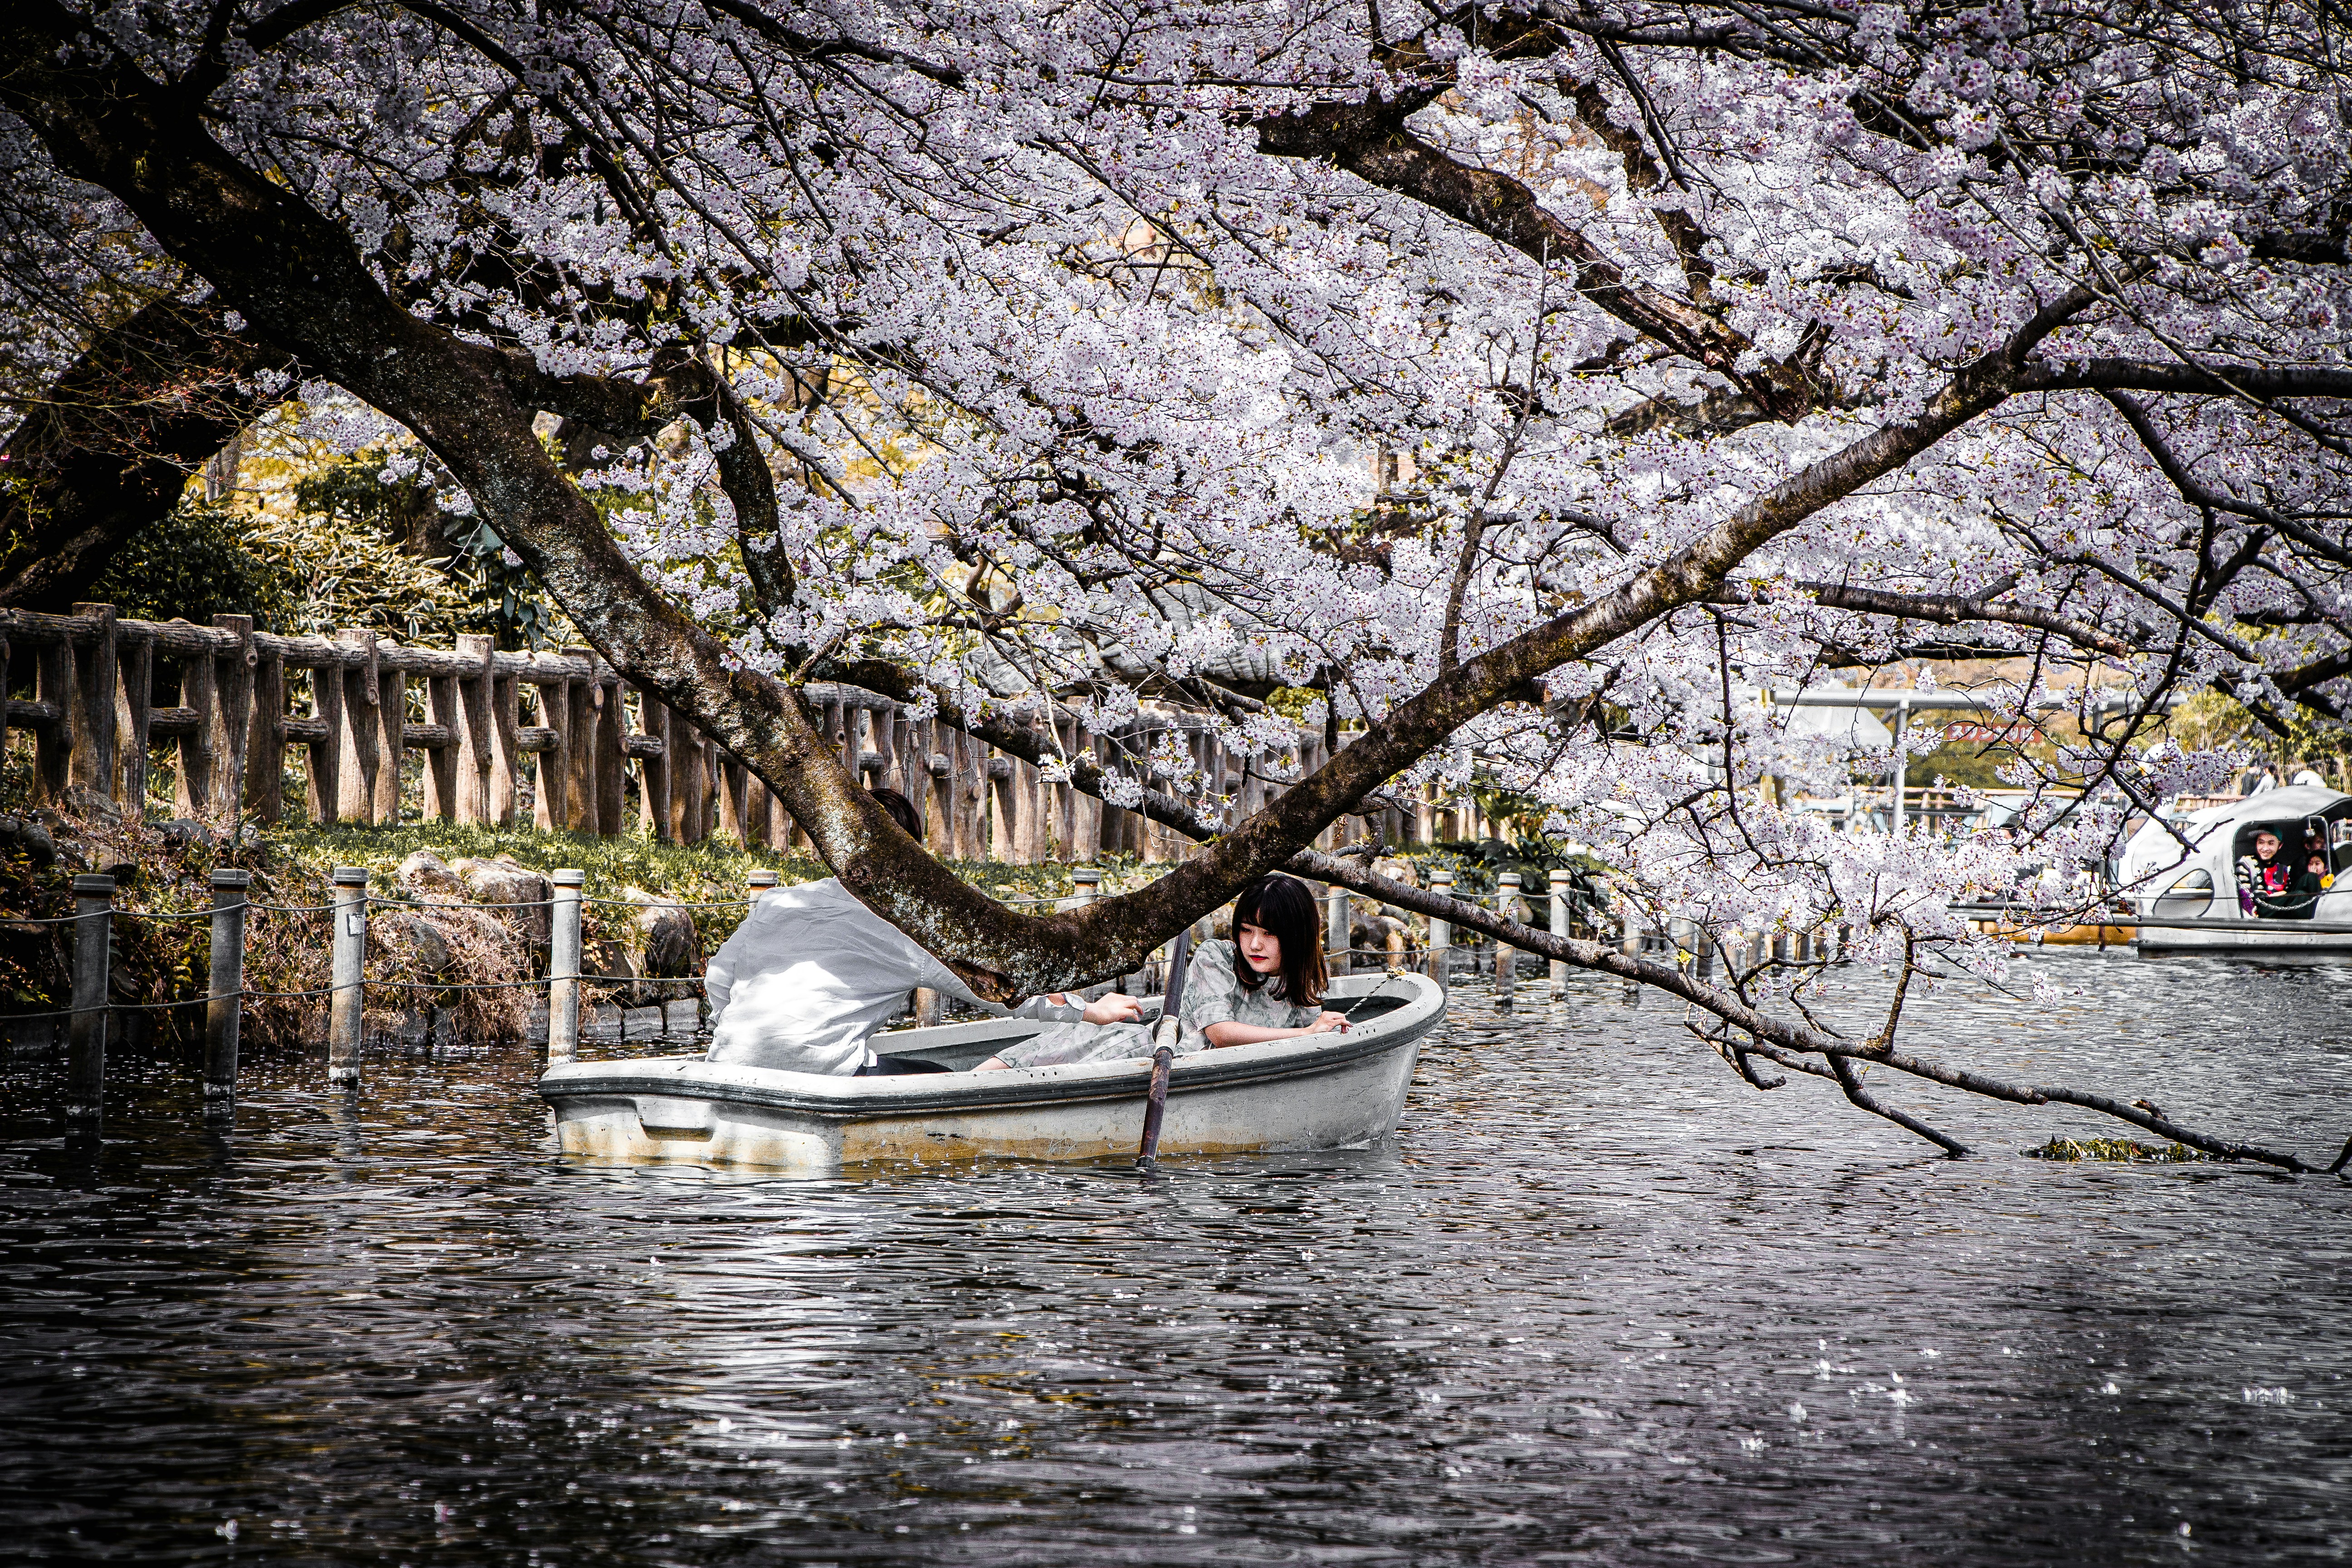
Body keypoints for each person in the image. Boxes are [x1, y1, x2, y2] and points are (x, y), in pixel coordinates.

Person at [702, 789, 1142, 1075]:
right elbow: (997, 990)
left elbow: (717, 980)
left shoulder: (780, 901)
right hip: (820, 1078)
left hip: (729, 1064)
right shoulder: (906, 927)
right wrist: (1091, 1011)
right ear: (908, 856)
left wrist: (735, 1032)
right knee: (944, 1081)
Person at [975, 872, 1350, 1072]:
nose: (1254, 945)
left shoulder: (1304, 984)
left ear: (1296, 937)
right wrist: (1306, 1032)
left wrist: (1320, 1029)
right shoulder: (1218, 956)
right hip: (1159, 1053)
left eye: (1269, 934)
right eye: (1247, 930)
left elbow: (1301, 1042)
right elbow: (1220, 1034)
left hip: (1210, 1076)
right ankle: (952, 1084)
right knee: (1039, 1057)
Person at [2237, 829, 2301, 918]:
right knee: (2301, 895)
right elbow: (2244, 894)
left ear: (2280, 846)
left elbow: (2288, 891)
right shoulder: (2246, 863)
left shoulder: (2283, 868)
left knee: (2308, 882)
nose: (2265, 848)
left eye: (2271, 844)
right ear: (2256, 844)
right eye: (2261, 842)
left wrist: (2284, 894)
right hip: (2259, 913)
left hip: (2280, 912)